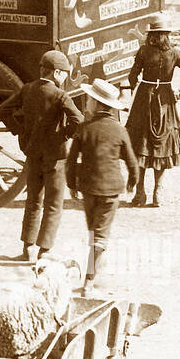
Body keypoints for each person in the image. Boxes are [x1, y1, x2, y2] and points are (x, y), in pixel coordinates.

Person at [0, 48, 84, 262]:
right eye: (64, 73)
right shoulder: (60, 95)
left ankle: (28, 249)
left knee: (33, 200)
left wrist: (20, 131)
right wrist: (63, 135)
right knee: (54, 204)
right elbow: (79, 121)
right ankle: (45, 251)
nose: (64, 78)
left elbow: (3, 110)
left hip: (33, 153)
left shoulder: (27, 89)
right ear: (56, 73)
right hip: (55, 157)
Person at [67, 78, 139, 287]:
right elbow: (132, 162)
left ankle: (94, 268)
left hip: (88, 188)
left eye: (89, 99)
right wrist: (132, 183)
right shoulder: (119, 130)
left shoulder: (84, 128)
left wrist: (71, 184)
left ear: (97, 104)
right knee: (100, 235)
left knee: (93, 231)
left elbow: (71, 161)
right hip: (111, 190)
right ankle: (90, 278)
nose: (87, 102)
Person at [125, 13, 180, 207]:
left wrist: (133, 91)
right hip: (165, 99)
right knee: (161, 145)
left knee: (141, 144)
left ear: (151, 35)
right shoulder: (174, 53)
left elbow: (133, 76)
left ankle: (140, 192)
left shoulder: (143, 51)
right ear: (167, 34)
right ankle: (158, 191)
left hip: (144, 98)